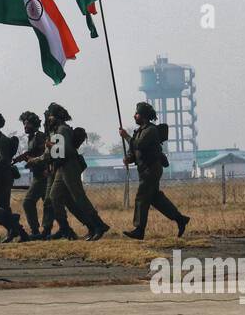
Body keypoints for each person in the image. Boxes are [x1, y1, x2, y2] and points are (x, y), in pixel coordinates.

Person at [121, 101, 190, 240]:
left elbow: (139, 145)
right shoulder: (139, 131)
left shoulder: (151, 131)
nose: (134, 116)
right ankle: (180, 219)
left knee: (141, 197)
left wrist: (126, 136)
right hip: (144, 169)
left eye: (137, 114)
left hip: (151, 169)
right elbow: (134, 150)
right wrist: (128, 158)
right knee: (155, 198)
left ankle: (139, 230)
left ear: (143, 116)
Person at [44, 102, 110, 241]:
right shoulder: (58, 130)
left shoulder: (62, 130)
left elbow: (66, 151)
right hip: (62, 168)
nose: (48, 119)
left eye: (50, 116)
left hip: (69, 166)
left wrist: (52, 146)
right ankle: (65, 229)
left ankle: (98, 225)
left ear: (55, 116)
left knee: (79, 197)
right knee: (54, 196)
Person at [0, 109, 27, 242]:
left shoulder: (1, 141)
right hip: (2, 178)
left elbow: (4, 161)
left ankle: (13, 221)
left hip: (2, 178)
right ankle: (20, 232)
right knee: (4, 207)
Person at [16, 110, 58, 240]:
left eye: (27, 123)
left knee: (29, 202)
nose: (25, 126)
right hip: (38, 175)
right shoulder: (32, 138)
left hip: (43, 175)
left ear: (34, 124)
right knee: (49, 203)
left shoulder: (40, 136)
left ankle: (38, 231)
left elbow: (45, 154)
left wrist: (31, 160)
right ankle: (48, 230)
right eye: (24, 124)